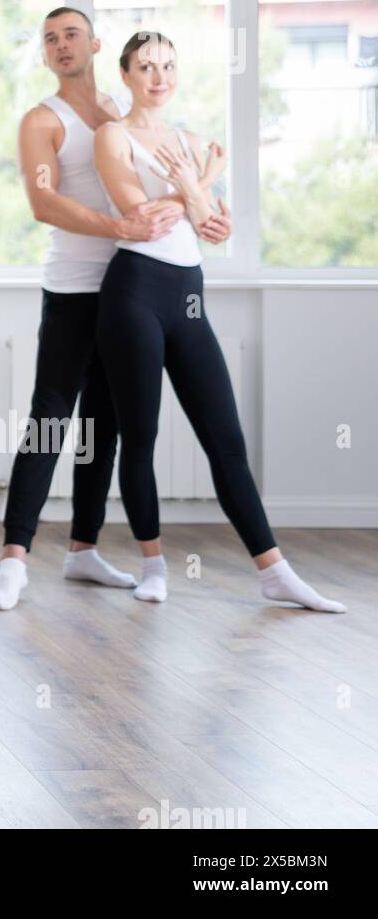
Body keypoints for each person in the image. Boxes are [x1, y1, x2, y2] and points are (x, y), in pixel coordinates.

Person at [0, 9, 231, 611]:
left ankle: (82, 550)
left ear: (96, 46)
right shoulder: (43, 120)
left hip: (133, 289)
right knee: (51, 417)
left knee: (105, 424)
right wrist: (119, 223)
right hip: (73, 288)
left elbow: (174, 206)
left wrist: (201, 194)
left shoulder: (124, 119)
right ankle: (14, 561)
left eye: (72, 35)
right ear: (45, 55)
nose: (62, 45)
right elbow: (42, 200)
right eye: (50, 39)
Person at [93, 30, 346, 612]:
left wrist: (196, 192)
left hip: (187, 296)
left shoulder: (191, 140)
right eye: (148, 66)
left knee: (226, 440)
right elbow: (144, 215)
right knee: (141, 437)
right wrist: (198, 185)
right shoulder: (114, 136)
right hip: (133, 294)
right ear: (127, 74)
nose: (160, 76)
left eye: (169, 66)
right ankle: (153, 565)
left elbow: (215, 228)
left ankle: (275, 571)